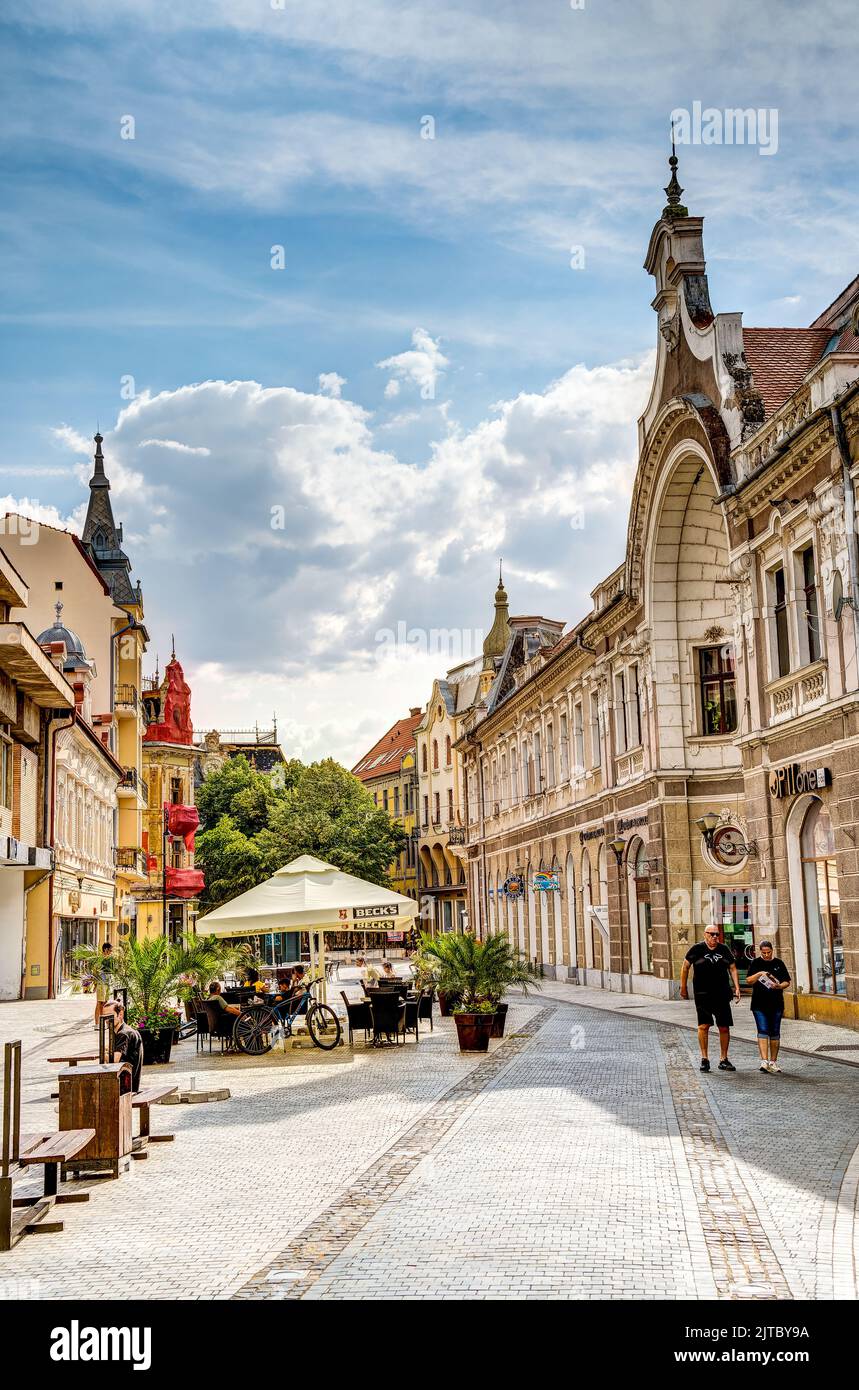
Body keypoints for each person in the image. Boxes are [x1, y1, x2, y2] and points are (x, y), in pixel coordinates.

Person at [680, 926, 740, 1073]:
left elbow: (732, 967)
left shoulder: (724, 949)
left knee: (724, 1026)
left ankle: (723, 1059)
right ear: (705, 934)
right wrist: (683, 987)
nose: (715, 937)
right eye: (712, 934)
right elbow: (685, 967)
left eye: (717, 934)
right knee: (704, 1025)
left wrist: (737, 987)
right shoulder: (697, 949)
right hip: (702, 994)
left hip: (722, 993)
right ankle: (704, 1059)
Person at [745, 940, 791, 1074]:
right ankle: (764, 1061)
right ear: (760, 951)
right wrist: (760, 974)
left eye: (768, 952)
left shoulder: (778, 963)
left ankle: (773, 1062)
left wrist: (779, 986)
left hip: (776, 1003)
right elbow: (748, 980)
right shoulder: (755, 963)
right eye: (764, 953)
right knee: (763, 1030)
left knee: (775, 1032)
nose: (766, 955)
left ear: (772, 950)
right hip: (759, 1004)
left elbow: (787, 981)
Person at [106, 999, 143, 1093]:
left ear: (120, 1015)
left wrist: (102, 1053)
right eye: (104, 1017)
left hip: (125, 1088)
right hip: (129, 1084)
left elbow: (114, 1060)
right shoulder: (127, 1031)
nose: (106, 1020)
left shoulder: (123, 1034)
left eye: (110, 1016)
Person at [94, 941, 114, 1030]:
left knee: (105, 1003)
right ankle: (97, 1024)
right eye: (110, 950)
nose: (111, 952)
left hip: (107, 983)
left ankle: (105, 1022)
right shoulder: (100, 959)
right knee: (100, 1003)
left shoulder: (110, 960)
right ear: (105, 950)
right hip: (101, 983)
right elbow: (95, 971)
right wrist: (95, 984)